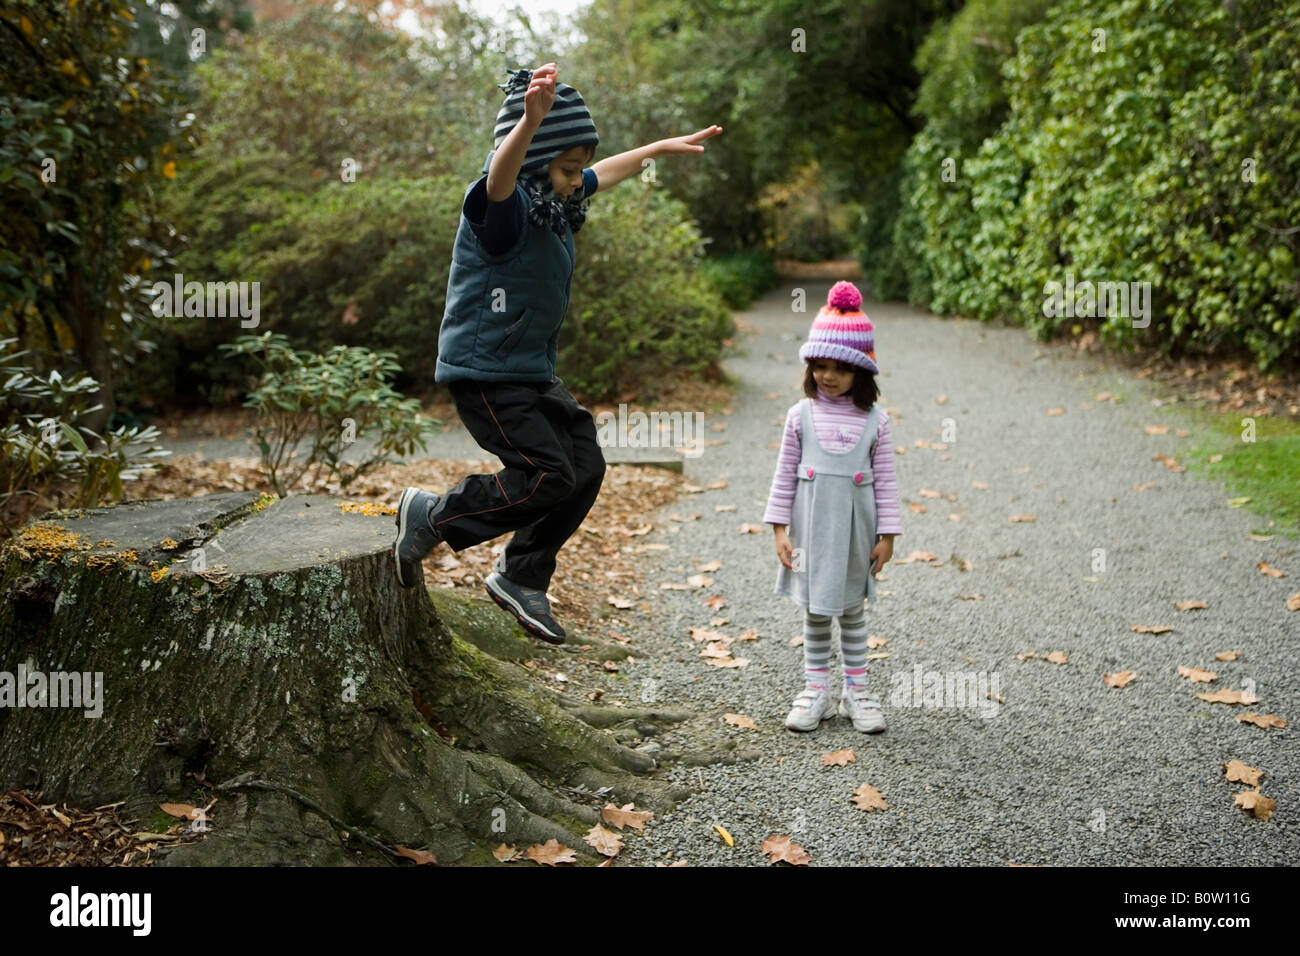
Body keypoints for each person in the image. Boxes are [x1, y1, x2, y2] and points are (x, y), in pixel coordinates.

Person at [393, 61, 722, 644]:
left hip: (528, 371)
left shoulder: (555, 199)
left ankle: (520, 575)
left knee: (585, 467)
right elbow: (501, 174)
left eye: (577, 169)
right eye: (567, 168)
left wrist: (661, 149)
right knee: (546, 474)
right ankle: (434, 516)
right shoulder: (504, 208)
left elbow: (604, 172)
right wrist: (528, 123)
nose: (578, 180)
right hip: (486, 372)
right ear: (536, 159)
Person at [763, 281, 902, 732]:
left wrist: (889, 536)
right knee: (815, 610)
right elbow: (784, 475)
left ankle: (856, 692)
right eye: (819, 365)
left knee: (851, 610)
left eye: (840, 367)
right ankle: (815, 689)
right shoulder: (799, 416)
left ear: (862, 371)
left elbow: (887, 482)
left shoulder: (876, 422)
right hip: (808, 531)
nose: (828, 375)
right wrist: (780, 531)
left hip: (854, 533)